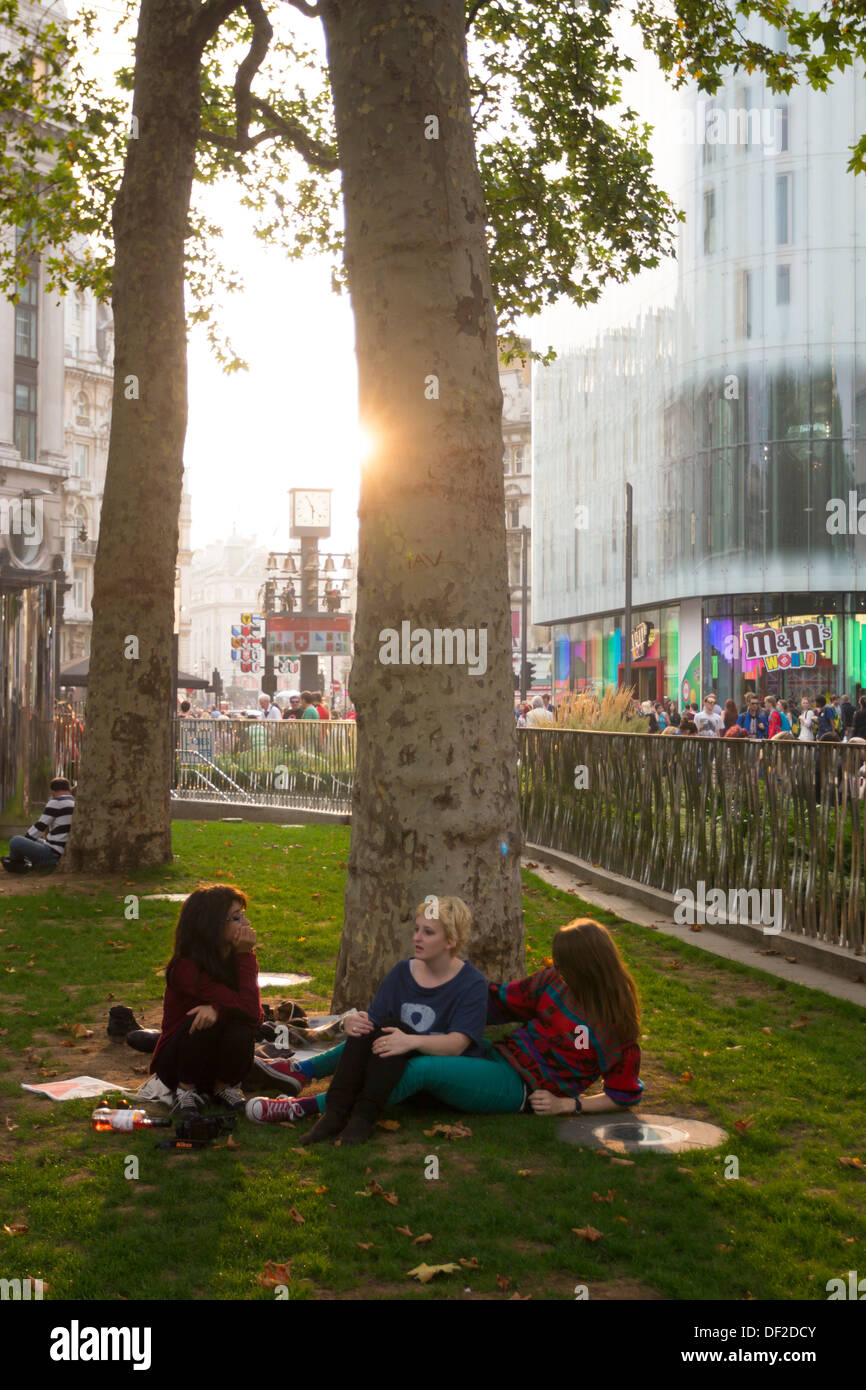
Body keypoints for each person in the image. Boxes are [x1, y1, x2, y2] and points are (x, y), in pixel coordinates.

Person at [247, 917, 643, 1130]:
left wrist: (567, 1104)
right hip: (496, 1054)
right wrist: (439, 983)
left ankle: (302, 1109)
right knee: (390, 1031)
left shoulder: (613, 1026)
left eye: (565, 963)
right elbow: (497, 1001)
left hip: (521, 1087)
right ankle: (298, 1070)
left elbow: (624, 1094)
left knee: (421, 1066)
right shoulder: (552, 982)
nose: (558, 968)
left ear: (588, 966)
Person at [248, 898, 488, 1143]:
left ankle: (362, 1117)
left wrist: (410, 1041)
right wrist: (351, 1023)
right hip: (389, 1068)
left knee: (397, 1030)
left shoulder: (471, 983)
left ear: (451, 941)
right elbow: (373, 1023)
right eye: (416, 929)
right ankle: (334, 1114)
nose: (417, 938)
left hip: (436, 1079)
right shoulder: (403, 971)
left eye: (428, 932)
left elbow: (458, 1044)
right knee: (367, 1026)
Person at [150, 886, 262, 1116]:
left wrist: (245, 957)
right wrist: (219, 1010)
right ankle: (185, 1092)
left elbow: (253, 1015)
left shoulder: (238, 957)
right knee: (203, 1019)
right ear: (212, 924)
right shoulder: (185, 967)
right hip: (177, 1062)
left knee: (241, 1025)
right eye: (236, 918)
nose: (246, 923)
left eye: (243, 915)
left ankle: (223, 1087)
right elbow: (237, 1005)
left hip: (214, 1059)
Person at [2, 777, 75, 874]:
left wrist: (26, 839)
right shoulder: (75, 803)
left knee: (15, 841)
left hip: (52, 855)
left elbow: (40, 826)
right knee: (36, 841)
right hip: (62, 850)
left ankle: (15, 862)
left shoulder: (56, 802)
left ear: (52, 792)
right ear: (69, 790)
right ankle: (18, 860)